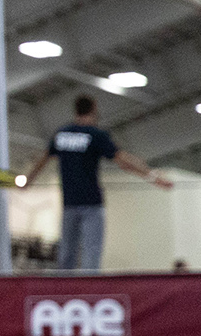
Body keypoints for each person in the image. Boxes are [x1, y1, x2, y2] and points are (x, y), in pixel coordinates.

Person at [24, 95, 172, 270]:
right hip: (91, 203)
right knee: (91, 252)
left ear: (75, 109)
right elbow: (123, 160)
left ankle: (63, 289)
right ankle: (88, 288)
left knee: (67, 253)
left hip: (69, 203)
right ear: (94, 108)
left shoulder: (62, 133)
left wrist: (28, 180)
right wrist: (152, 176)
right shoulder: (95, 135)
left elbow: (43, 159)